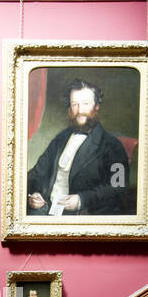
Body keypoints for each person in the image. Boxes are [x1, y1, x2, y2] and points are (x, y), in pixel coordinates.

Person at [26, 79, 131, 216]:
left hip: (83, 215)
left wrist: (82, 199)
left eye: (86, 104)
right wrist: (33, 194)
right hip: (46, 210)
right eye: (75, 104)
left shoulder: (112, 145)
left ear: (96, 106)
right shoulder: (61, 138)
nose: (80, 110)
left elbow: (118, 187)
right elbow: (37, 172)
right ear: (69, 108)